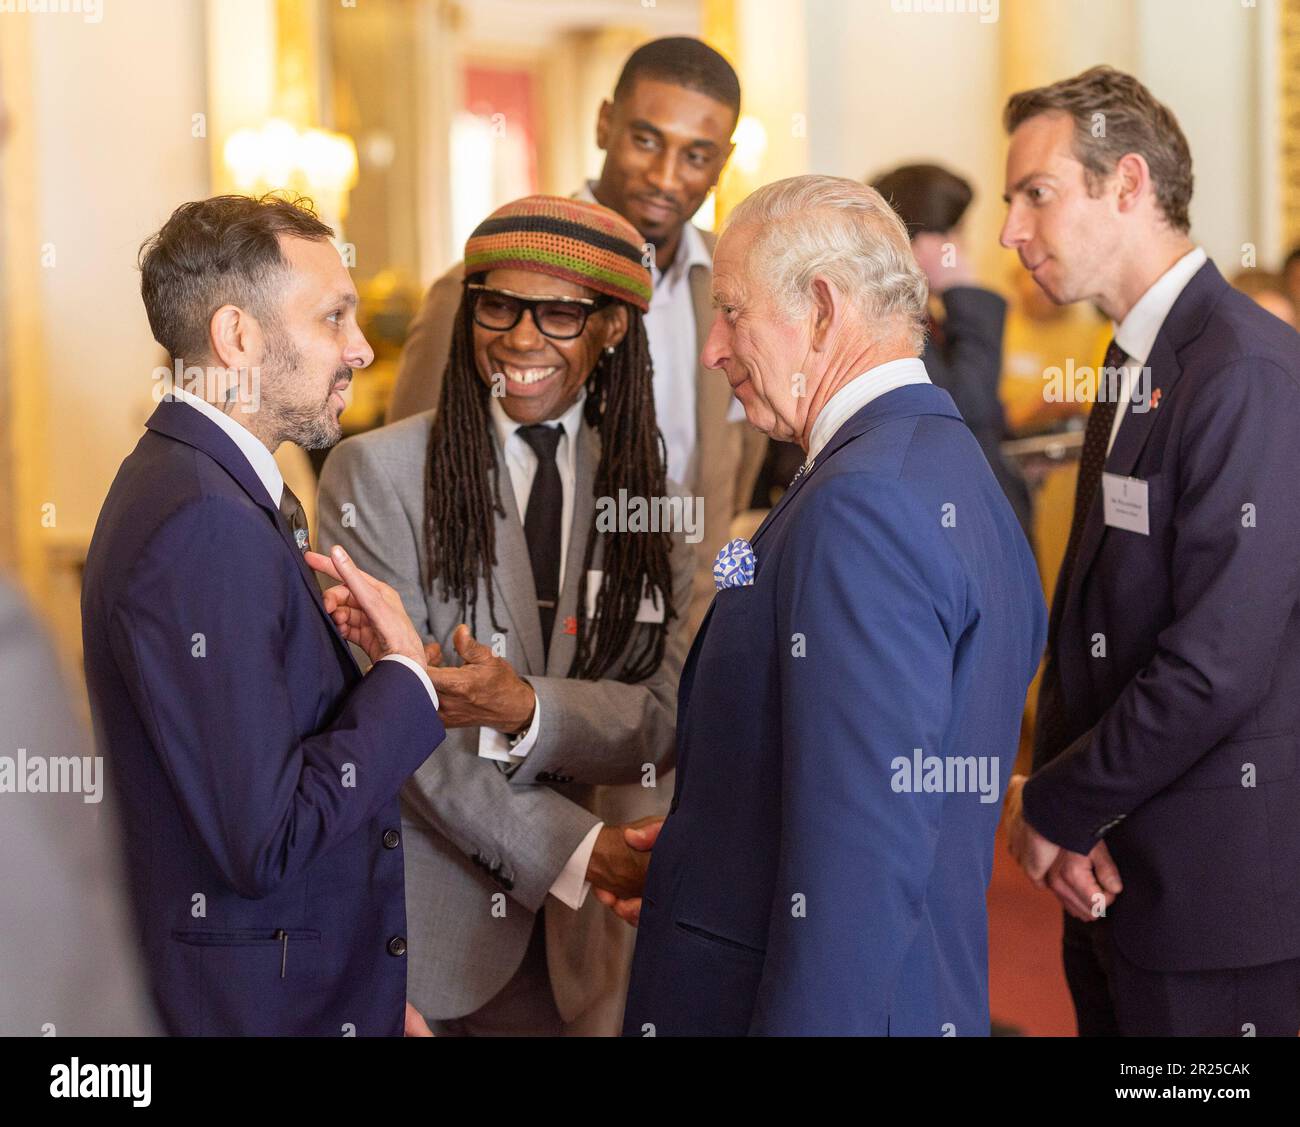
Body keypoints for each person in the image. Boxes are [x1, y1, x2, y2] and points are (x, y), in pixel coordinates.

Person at [620, 175, 1046, 1036]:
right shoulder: (939, 461)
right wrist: (711, 849)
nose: (713, 348)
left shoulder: (864, 504)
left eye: (732, 311)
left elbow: (859, 865)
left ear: (820, 309)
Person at [318, 196, 693, 1036]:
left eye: (559, 313)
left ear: (612, 331)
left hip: (594, 946)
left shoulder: (655, 501)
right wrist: (571, 850)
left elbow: (661, 715)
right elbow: (396, 731)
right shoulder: (376, 473)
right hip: (429, 946)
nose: (522, 340)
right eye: (498, 306)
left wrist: (525, 708)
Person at [81, 194, 446, 1036]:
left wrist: (375, 998)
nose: (360, 348)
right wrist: (404, 679)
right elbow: (265, 838)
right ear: (238, 338)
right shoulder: (202, 520)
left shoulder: (201, 484)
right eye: (332, 318)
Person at [999, 66, 1300, 1036]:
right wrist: (1073, 816)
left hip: (1214, 901)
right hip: (1118, 870)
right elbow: (1098, 618)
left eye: (1034, 194)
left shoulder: (1243, 367)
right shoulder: (1133, 358)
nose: (1011, 231)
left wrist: (1054, 803)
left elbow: (1216, 662)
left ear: (1126, 185)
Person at [386, 36, 763, 633]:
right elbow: (407, 474)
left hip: (684, 627)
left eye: (697, 155)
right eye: (646, 140)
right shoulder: (481, 288)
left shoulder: (738, 286)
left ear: (724, 160)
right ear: (605, 124)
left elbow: (735, 463)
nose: (666, 177)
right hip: (518, 630)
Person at [871, 162, 1034, 543]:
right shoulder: (894, 324)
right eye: (955, 234)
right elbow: (966, 403)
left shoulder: (930, 316)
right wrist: (965, 289)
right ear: (922, 240)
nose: (965, 248)